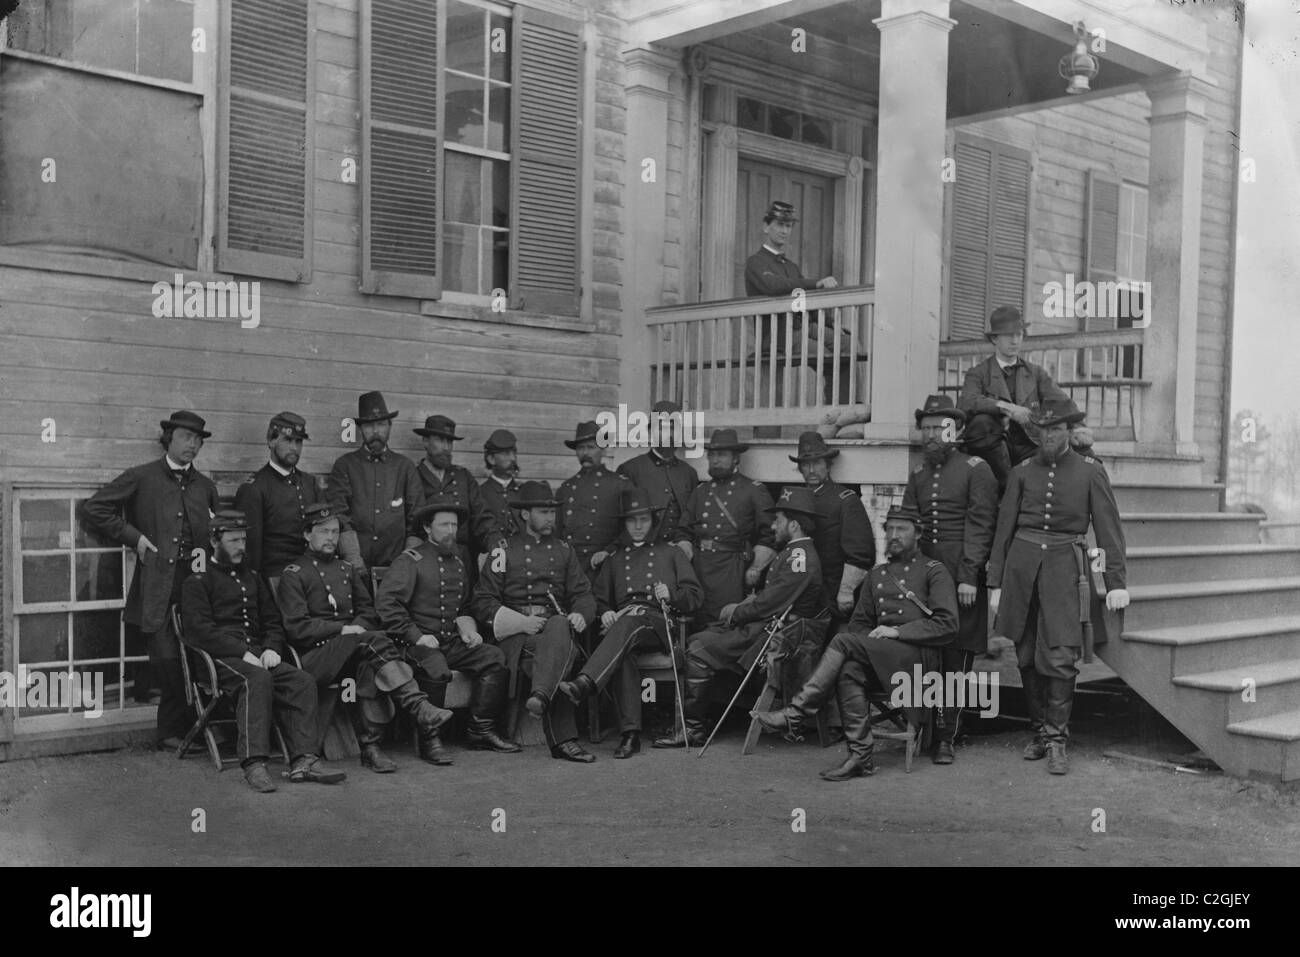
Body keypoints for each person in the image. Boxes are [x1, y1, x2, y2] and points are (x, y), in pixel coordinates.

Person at [751, 506, 958, 781]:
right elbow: (860, 623)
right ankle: (861, 757)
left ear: (918, 534)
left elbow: (947, 624)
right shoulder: (877, 575)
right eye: (890, 529)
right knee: (848, 669)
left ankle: (796, 713)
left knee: (843, 641)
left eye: (902, 529)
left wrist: (897, 633)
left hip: (916, 660)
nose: (894, 535)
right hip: (881, 658)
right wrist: (871, 641)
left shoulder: (934, 571)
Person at [988, 396, 1129, 775]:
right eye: (1043, 429)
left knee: (1061, 657)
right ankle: (1038, 732)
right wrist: (995, 580)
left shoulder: (1090, 471)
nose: (1048, 436)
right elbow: (1005, 528)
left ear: (1069, 431)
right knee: (1025, 655)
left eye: (1056, 428)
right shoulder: (1020, 472)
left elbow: (1108, 530)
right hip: (1021, 569)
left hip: (1066, 569)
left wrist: (1115, 580)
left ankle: (1056, 738)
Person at [79, 410, 221, 750]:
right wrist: (135, 538)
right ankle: (171, 730)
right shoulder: (142, 477)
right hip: (158, 585)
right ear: (168, 438)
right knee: (167, 658)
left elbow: (215, 536)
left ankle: (197, 729)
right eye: (186, 437)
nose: (193, 445)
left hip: (198, 586)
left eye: (198, 439)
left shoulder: (206, 487)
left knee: (201, 654)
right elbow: (95, 508)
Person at [277, 503, 454, 772]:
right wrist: (343, 631)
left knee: (371, 667)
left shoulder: (346, 569)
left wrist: (356, 629)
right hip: (316, 658)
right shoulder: (295, 574)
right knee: (372, 642)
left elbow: (368, 612)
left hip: (356, 650)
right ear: (306, 535)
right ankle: (418, 706)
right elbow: (297, 628)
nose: (330, 538)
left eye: (335, 532)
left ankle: (370, 748)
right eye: (323, 532)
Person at [180, 510, 347, 792]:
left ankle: (304, 760)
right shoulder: (197, 581)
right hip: (219, 659)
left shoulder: (252, 577)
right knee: (256, 679)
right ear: (214, 541)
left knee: (301, 681)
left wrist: (271, 647)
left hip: (257, 654)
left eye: (243, 540)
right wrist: (242, 651)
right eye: (233, 541)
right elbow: (199, 631)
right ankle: (254, 764)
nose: (241, 547)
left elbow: (272, 620)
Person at [654, 486, 823, 749]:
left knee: (698, 650)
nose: (773, 525)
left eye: (778, 520)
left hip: (775, 636)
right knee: (701, 638)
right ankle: (694, 721)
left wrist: (737, 614)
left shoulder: (799, 556)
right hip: (766, 628)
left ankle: (692, 729)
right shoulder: (793, 552)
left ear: (794, 524)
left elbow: (772, 602)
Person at [557, 487, 703, 758]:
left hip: (658, 624)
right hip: (625, 628)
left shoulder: (671, 554)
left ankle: (585, 682)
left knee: (626, 626)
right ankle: (630, 735)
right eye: (632, 520)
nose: (638, 526)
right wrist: (605, 613)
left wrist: (672, 595)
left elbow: (695, 597)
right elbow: (599, 599)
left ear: (653, 522)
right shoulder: (616, 559)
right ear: (624, 523)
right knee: (622, 652)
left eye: (644, 520)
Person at [376, 496, 520, 757]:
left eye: (454, 525)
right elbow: (387, 605)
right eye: (444, 525)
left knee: (494, 658)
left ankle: (480, 730)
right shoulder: (410, 560)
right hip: (415, 645)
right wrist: (417, 637)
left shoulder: (458, 561)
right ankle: (430, 739)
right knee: (436, 669)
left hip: (449, 642)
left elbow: (464, 607)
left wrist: (469, 630)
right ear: (428, 528)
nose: (451, 531)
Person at [901, 394, 998, 763]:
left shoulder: (976, 469)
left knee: (956, 657)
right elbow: (909, 526)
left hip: (962, 576)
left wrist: (970, 575)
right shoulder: (918, 475)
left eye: (937, 428)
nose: (930, 436)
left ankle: (946, 736)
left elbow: (981, 525)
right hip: (927, 575)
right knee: (925, 653)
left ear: (953, 431)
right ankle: (924, 725)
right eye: (925, 428)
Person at [472, 481, 598, 762]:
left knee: (558, 628)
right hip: (517, 637)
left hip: (553, 630)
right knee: (564, 650)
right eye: (543, 512)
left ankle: (540, 696)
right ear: (526, 515)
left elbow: (583, 594)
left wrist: (580, 612)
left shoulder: (564, 550)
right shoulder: (504, 551)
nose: (550, 519)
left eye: (553, 513)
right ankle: (564, 742)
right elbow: (483, 601)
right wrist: (520, 622)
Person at [958, 306, 1070, 489]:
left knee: (1078, 451)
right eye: (1009, 335)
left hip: (1029, 445)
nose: (1015, 340)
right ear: (994, 339)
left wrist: (1080, 429)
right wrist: (1006, 407)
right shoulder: (978, 373)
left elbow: (1062, 403)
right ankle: (1011, 486)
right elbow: (967, 402)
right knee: (982, 421)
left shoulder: (1035, 373)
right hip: (991, 449)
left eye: (1019, 334)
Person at [672, 429, 776, 626]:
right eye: (712, 455)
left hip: (731, 569)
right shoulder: (700, 492)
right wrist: (684, 559)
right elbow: (683, 530)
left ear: (736, 458)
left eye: (722, 455)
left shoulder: (754, 490)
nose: (715, 460)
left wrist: (755, 568)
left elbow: (770, 534)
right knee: (696, 618)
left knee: (724, 621)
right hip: (699, 567)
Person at [327, 391, 425, 571]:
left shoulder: (405, 467)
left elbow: (417, 518)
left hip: (397, 568)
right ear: (360, 429)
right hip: (354, 568)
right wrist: (353, 558)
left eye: (381, 424)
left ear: (390, 426)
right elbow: (339, 514)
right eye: (369, 426)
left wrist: (406, 566)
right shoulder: (345, 465)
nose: (376, 432)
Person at [789, 432, 875, 623]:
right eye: (805, 464)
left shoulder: (845, 500)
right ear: (800, 468)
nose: (812, 470)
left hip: (833, 592)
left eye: (817, 463)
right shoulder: (795, 500)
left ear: (828, 465)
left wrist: (845, 591)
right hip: (802, 592)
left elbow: (861, 554)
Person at [234, 411, 322, 581]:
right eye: (288, 440)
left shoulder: (310, 483)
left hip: (313, 574)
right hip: (275, 578)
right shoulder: (255, 488)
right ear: (271, 440)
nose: (294, 448)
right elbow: (250, 552)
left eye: (298, 441)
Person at [412, 414, 496, 563]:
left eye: (449, 441)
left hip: (462, 558)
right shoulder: (413, 476)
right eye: (439, 440)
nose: (446, 447)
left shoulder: (463, 477)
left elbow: (481, 517)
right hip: (425, 560)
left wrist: (496, 543)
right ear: (425, 441)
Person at [556, 420, 629, 580]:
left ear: (602, 449)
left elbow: (629, 529)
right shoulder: (566, 488)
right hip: (572, 569)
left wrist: (609, 551)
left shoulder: (619, 485)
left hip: (606, 566)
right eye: (581, 448)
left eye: (591, 447)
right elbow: (557, 533)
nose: (585, 453)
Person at [617, 400, 699, 543]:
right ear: (650, 432)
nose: (669, 435)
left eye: (673, 428)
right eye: (662, 428)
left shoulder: (689, 474)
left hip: (678, 554)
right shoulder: (630, 470)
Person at [478, 428, 523, 545]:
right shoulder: (480, 493)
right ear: (491, 459)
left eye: (514, 452)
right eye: (506, 453)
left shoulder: (524, 491)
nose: (513, 458)